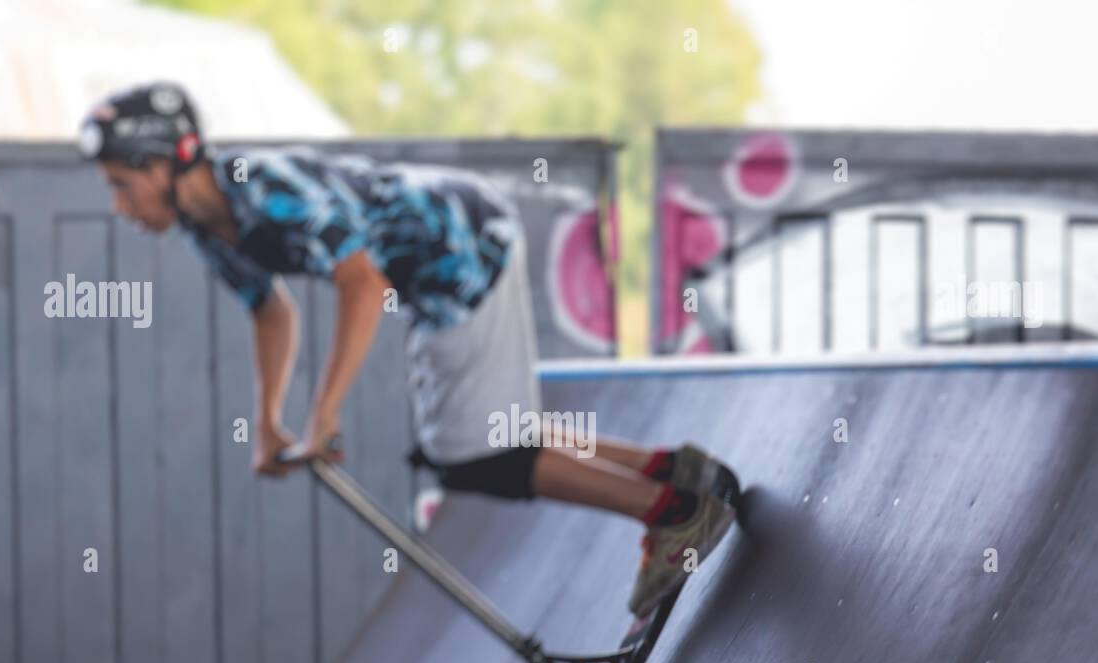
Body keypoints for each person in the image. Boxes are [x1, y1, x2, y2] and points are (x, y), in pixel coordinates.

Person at [77, 81, 735, 618]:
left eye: (121, 185)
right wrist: (270, 419)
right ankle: (668, 470)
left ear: (163, 165)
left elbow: (362, 283)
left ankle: (675, 514)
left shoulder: (265, 191)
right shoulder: (208, 227)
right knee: (486, 436)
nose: (120, 205)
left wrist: (325, 411)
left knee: (479, 456)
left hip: (463, 244)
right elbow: (269, 310)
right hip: (442, 263)